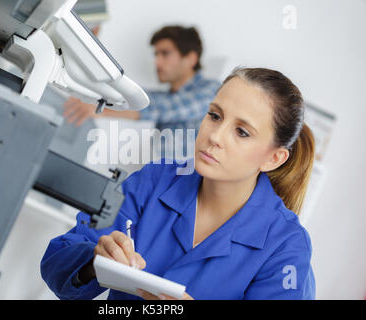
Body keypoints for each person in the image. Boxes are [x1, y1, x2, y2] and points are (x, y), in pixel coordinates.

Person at [40, 67, 316, 300]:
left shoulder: (286, 246)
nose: (215, 136)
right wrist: (95, 260)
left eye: (242, 132)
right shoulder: (155, 179)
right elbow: (58, 260)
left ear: (273, 158)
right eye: (215, 116)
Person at [63, 25, 221, 157]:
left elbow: (158, 108)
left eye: (165, 53)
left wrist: (100, 108)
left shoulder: (212, 91)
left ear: (191, 59)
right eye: (156, 54)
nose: (157, 62)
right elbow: (131, 95)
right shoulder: (166, 96)